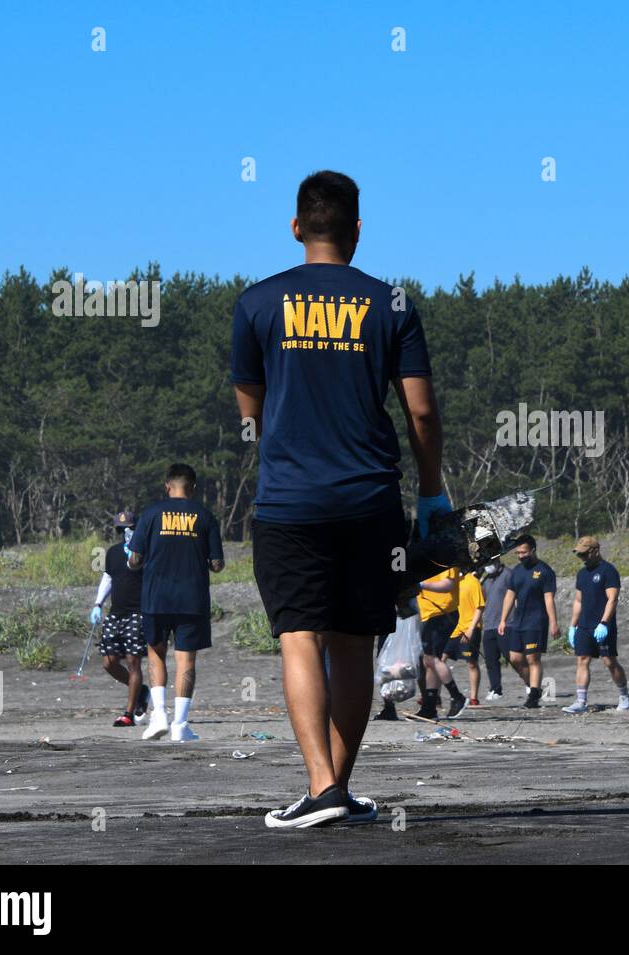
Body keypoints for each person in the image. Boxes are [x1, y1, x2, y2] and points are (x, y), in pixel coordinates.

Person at [232, 170, 448, 829]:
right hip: (371, 500)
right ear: (357, 229)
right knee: (356, 641)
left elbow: (251, 409)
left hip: (289, 502)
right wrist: (432, 492)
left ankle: (322, 786)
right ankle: (338, 786)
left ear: (297, 227)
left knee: (301, 635)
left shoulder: (257, 303)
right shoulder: (394, 304)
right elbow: (421, 411)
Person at [127, 464, 224, 742]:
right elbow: (217, 564)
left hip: (156, 597)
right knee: (186, 661)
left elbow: (134, 560)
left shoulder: (151, 513)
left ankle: (158, 716)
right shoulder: (205, 516)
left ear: (167, 485)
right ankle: (180, 725)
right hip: (191, 598)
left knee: (156, 654)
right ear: (192, 487)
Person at [89, 509, 150, 726]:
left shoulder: (147, 552)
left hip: (138, 613)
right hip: (116, 613)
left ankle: (129, 713)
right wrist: (98, 604)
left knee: (134, 662)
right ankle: (141, 690)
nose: (127, 532)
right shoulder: (113, 553)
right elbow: (108, 579)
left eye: (131, 528)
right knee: (109, 663)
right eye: (122, 529)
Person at [562, 536, 629, 713]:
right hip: (584, 625)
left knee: (609, 661)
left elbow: (612, 599)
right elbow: (578, 601)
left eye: (584, 554)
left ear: (595, 551)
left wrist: (604, 623)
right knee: (582, 660)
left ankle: (625, 696)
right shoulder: (582, 574)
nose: (582, 558)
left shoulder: (608, 571)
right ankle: (581, 702)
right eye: (579, 555)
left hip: (602, 625)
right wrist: (573, 626)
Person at [497, 534, 559, 709]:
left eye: (523, 552)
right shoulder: (516, 571)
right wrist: (502, 619)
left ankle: (533, 695)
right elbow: (510, 595)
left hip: (536, 622)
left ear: (533, 550)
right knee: (515, 658)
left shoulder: (545, 571)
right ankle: (535, 687)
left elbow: (549, 599)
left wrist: (554, 623)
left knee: (532, 658)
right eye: (517, 553)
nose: (520, 556)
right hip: (518, 622)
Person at [417, 567, 466, 719]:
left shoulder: (445, 558)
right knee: (429, 660)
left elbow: (448, 585)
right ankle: (430, 706)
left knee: (431, 659)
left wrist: (421, 585)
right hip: (429, 613)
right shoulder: (423, 559)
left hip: (442, 612)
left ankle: (457, 696)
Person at [443, 568, 485, 707]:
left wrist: (471, 629)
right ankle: (435, 697)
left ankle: (474, 698)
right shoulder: (450, 581)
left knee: (471, 662)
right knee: (439, 660)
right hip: (453, 628)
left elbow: (479, 607)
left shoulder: (472, 582)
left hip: (470, 628)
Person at [479, 559, 510, 701]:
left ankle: (530, 684)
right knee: (490, 660)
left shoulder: (508, 574)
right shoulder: (485, 579)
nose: (488, 566)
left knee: (513, 657)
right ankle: (496, 689)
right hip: (489, 625)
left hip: (507, 624)